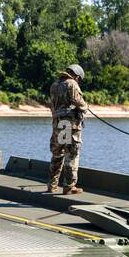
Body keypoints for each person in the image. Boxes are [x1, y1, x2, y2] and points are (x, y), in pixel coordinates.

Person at [49, 64, 88, 194]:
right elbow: (78, 102)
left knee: (58, 153)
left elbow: (53, 105)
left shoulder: (54, 85)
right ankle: (69, 186)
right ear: (76, 76)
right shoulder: (71, 83)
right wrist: (85, 107)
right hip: (68, 123)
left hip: (58, 124)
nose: (79, 81)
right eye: (79, 79)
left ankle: (52, 185)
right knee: (71, 153)